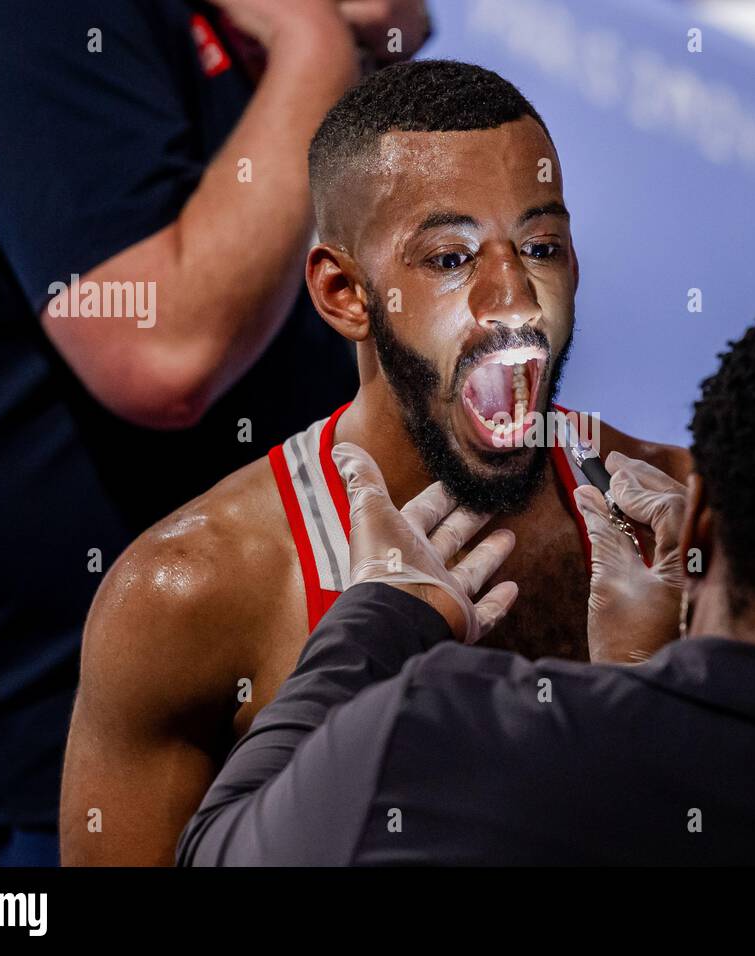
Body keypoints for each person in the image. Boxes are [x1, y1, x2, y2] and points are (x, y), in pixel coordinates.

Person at [59, 60, 690, 865]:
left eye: (539, 245)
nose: (514, 299)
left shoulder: (679, 520)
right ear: (345, 294)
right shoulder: (192, 592)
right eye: (450, 259)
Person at [177, 302, 755, 866]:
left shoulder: (440, 732)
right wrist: (634, 689)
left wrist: (376, 619)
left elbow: (213, 853)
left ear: (696, 520)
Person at [0, 0, 428, 865]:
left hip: (274, 709)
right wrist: (318, 44)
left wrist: (372, 40)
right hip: (37, 774)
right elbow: (162, 347)